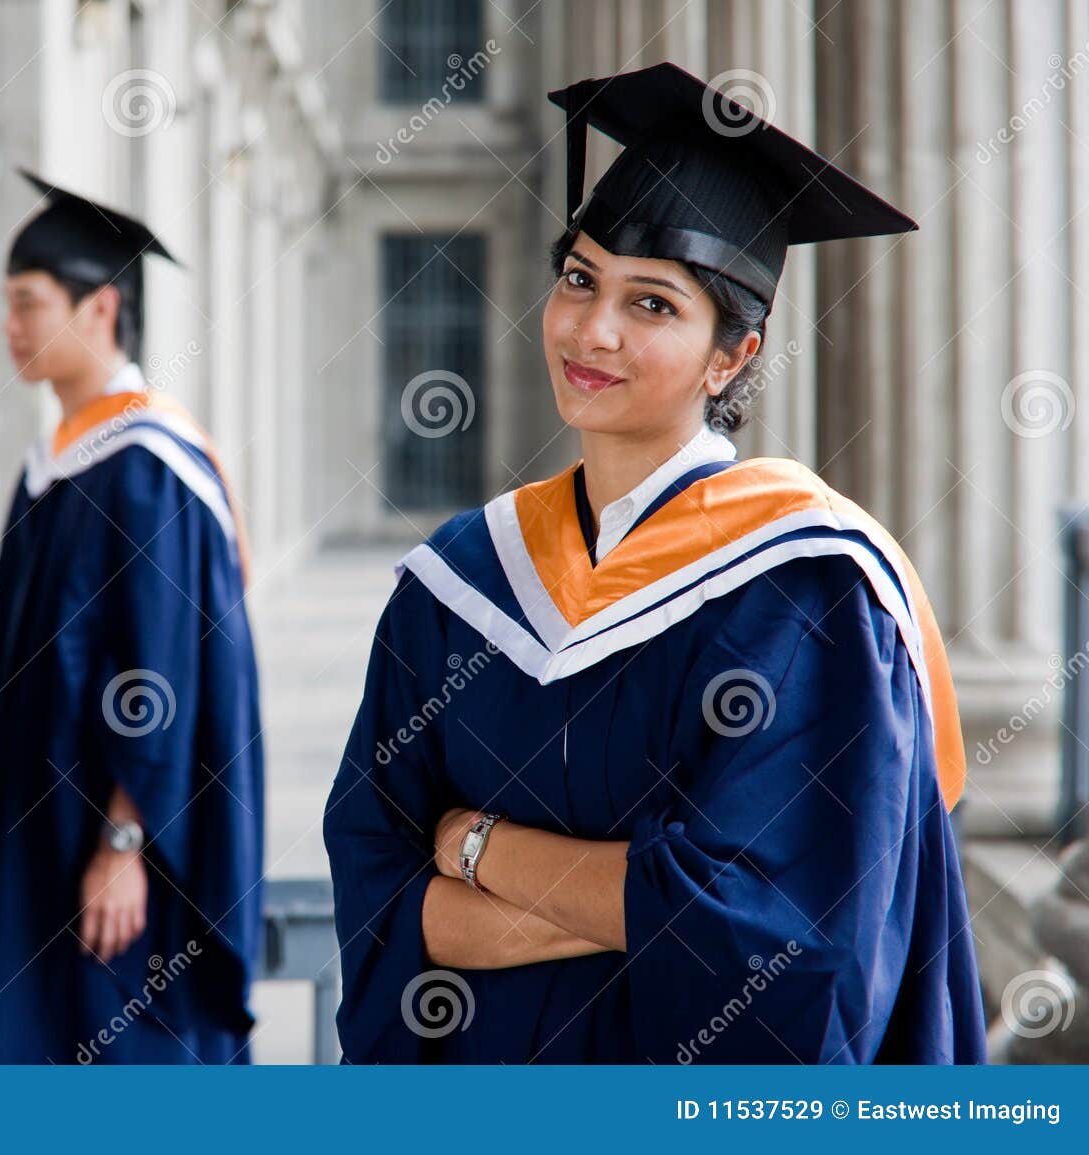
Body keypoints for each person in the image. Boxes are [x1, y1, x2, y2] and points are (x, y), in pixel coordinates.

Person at [323, 62, 986, 1064]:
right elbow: (374, 883)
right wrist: (641, 905)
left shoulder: (805, 594)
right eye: (579, 280)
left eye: (653, 305)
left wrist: (477, 850)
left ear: (732, 356)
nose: (592, 331)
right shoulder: (459, 583)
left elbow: (781, 944)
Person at [0, 171, 262, 1064]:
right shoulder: (54, 466)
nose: (10, 326)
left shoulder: (147, 468)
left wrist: (126, 840)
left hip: (119, 856)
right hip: (44, 843)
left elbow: (159, 677)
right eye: (7, 304)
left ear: (99, 308)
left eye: (28, 302)